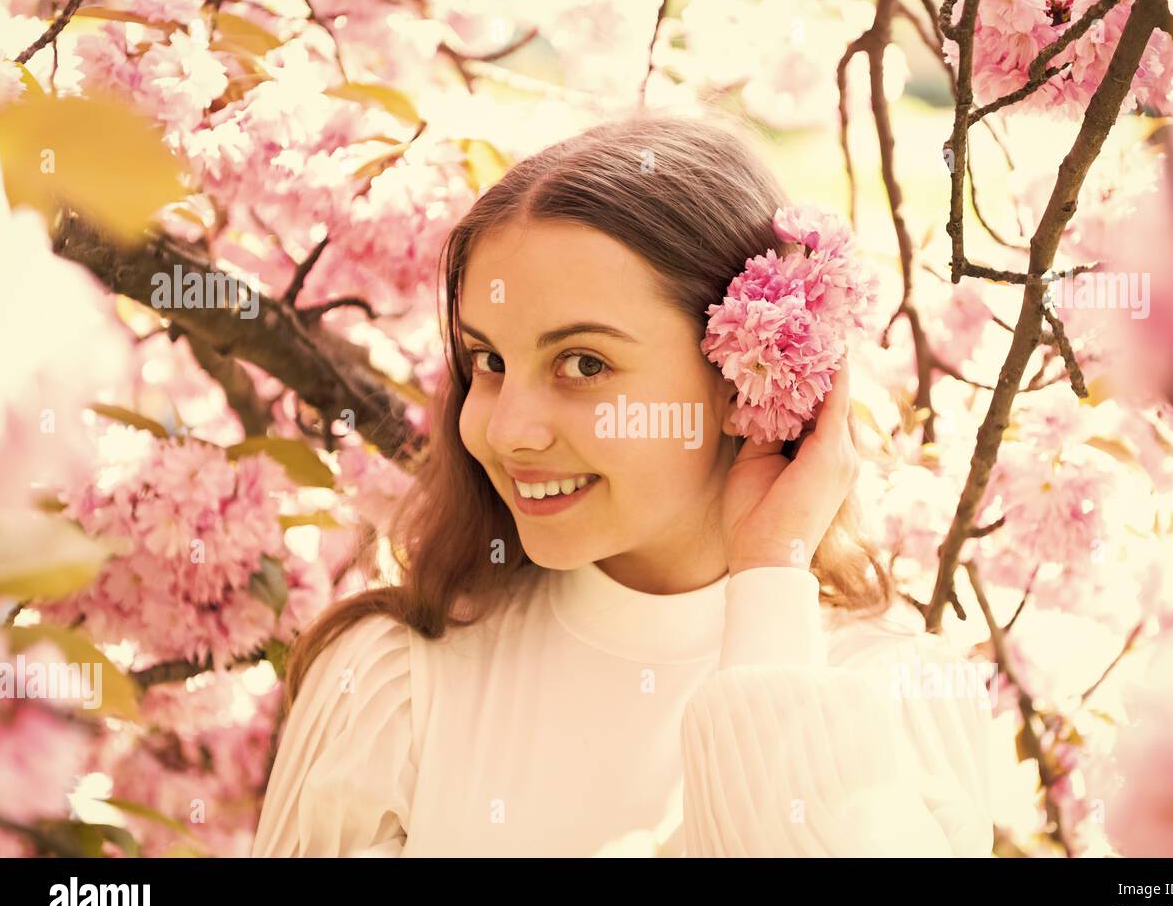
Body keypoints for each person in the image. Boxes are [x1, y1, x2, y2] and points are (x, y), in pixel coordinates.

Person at [251, 112, 994, 857]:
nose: (508, 431)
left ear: (751, 377)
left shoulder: (899, 699)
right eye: (489, 361)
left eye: (583, 364)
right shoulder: (394, 685)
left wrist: (771, 574)